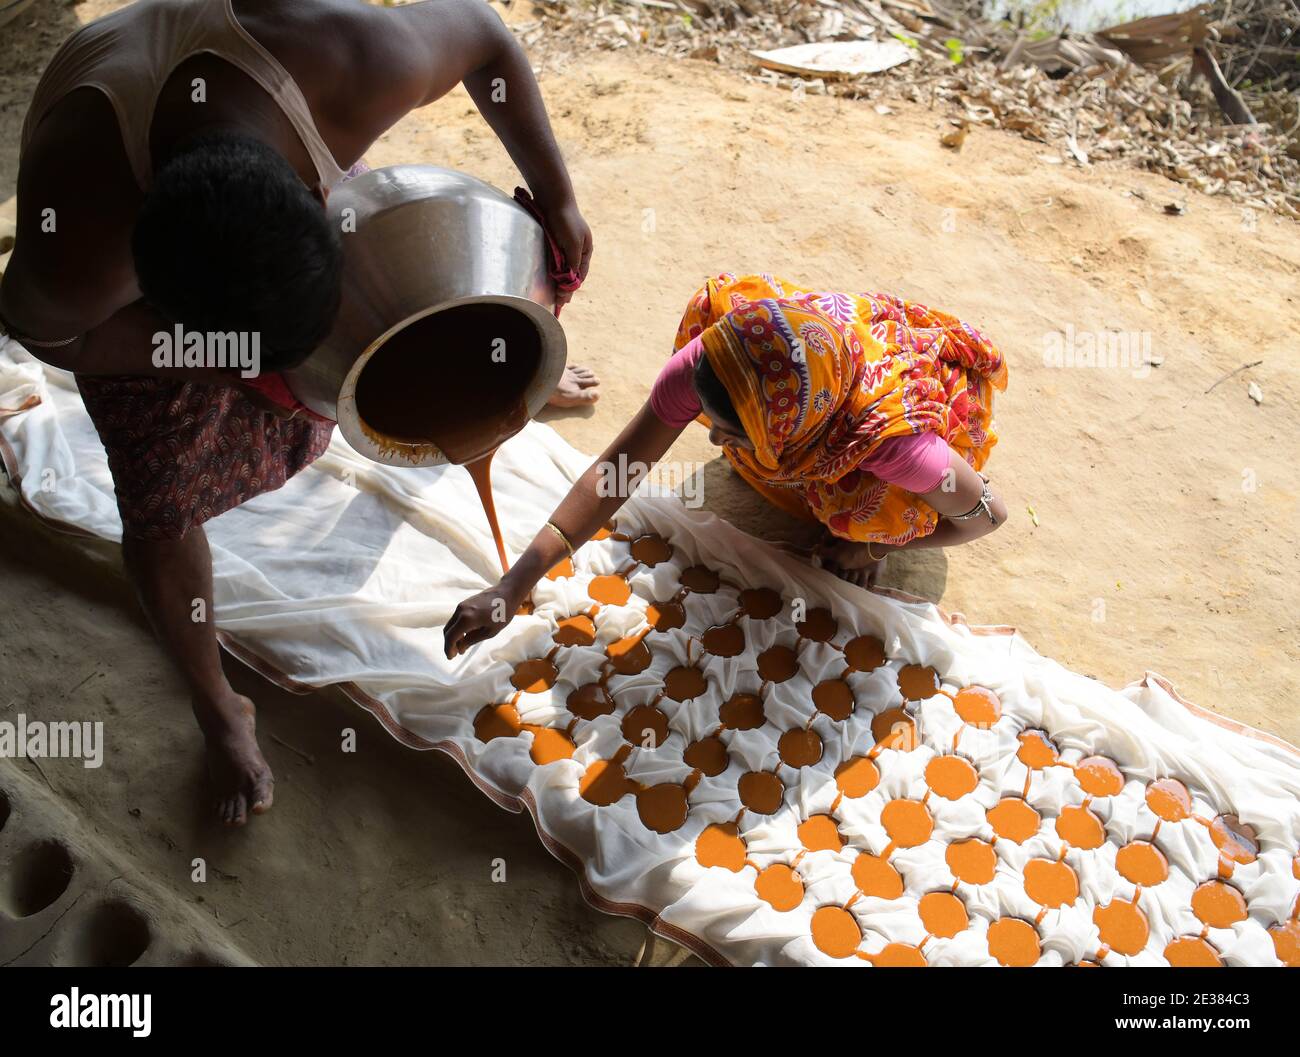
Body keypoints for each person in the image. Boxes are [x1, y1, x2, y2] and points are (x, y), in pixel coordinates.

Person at [0, 0, 595, 825]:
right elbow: (44, 334)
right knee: (159, 505)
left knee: (407, 299)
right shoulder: (82, 257)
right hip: (132, 315)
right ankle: (219, 707)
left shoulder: (350, 60)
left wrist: (559, 201)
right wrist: (204, 356)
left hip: (249, 199)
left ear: (319, 198)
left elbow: (487, 39)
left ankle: (492, 367)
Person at [444, 272, 1009, 658]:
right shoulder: (711, 363)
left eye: (732, 432)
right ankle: (791, 471)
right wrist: (514, 583)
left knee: (862, 516)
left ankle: (860, 529)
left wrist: (876, 546)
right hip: (809, 361)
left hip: (920, 399)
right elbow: (616, 473)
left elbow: (987, 517)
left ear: (795, 430)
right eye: (713, 421)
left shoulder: (896, 445)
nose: (713, 439)